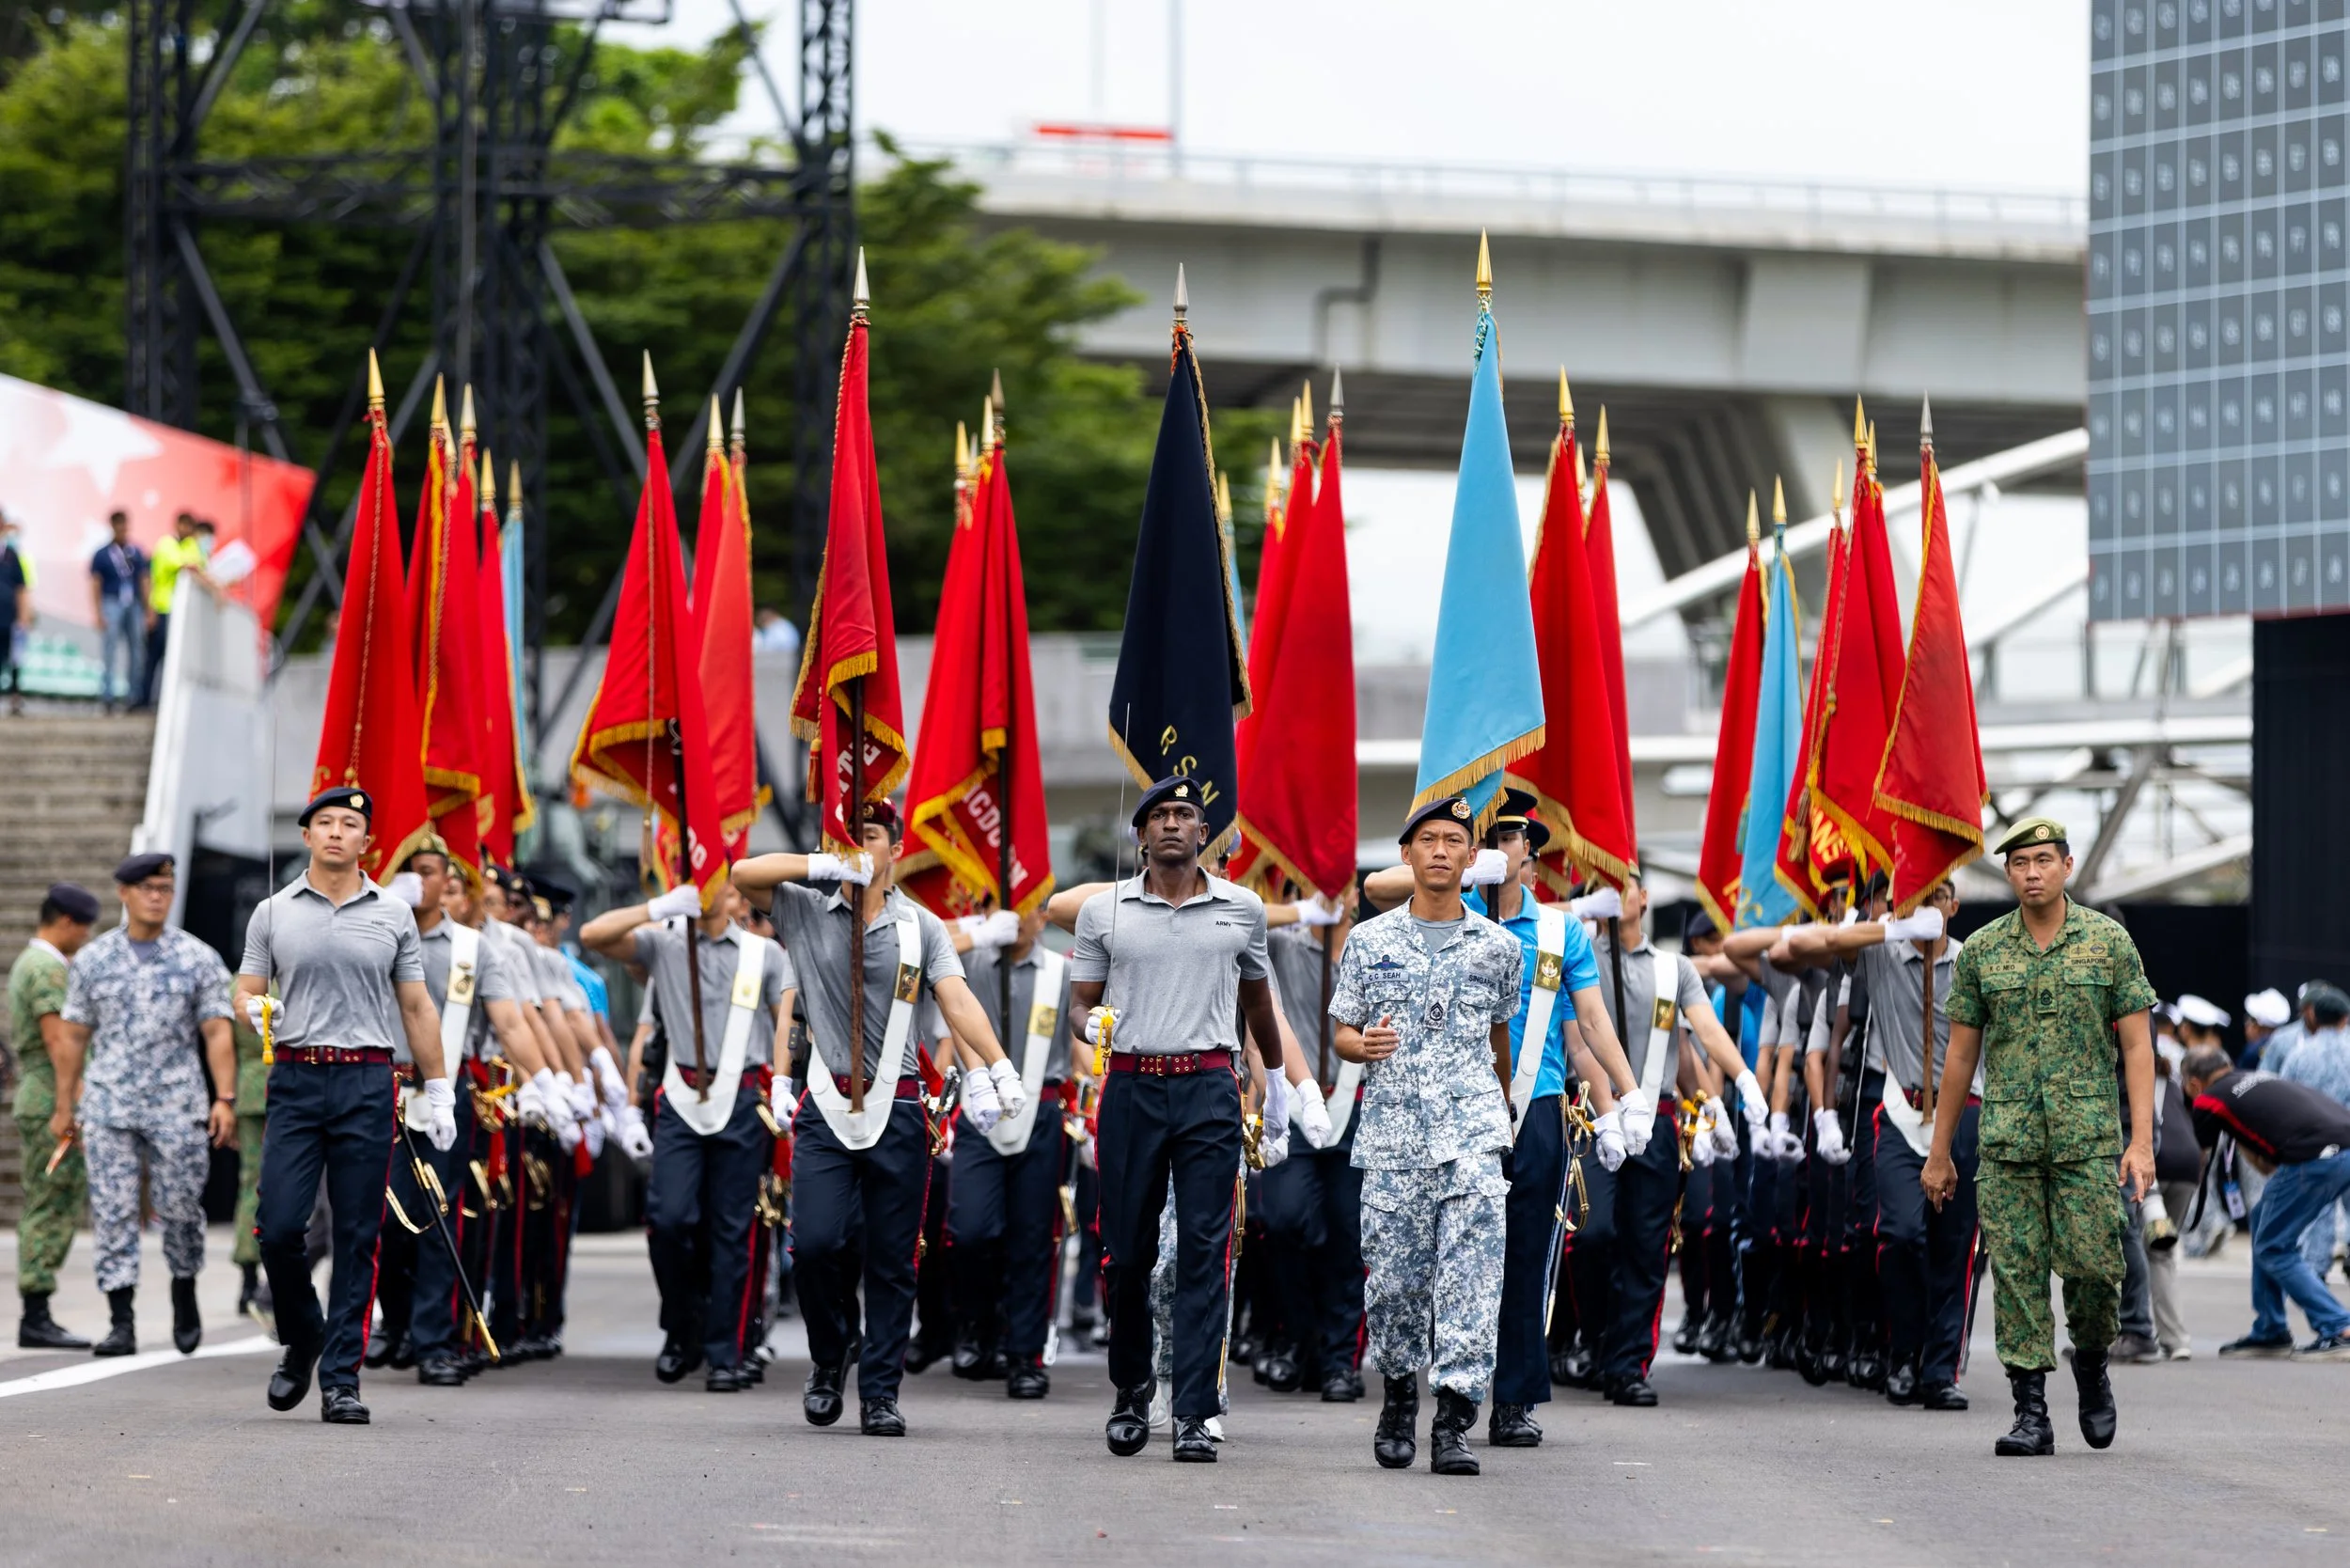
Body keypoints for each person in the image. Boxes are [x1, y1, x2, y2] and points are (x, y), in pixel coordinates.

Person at [1361, 790, 1647, 1443]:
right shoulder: (1440, 913)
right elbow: (1376, 887)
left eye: (1509, 838)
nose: (1498, 849)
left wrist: (1623, 1097)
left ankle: (1514, 1399)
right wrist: (1464, 875)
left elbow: (1588, 1024)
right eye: (1486, 839)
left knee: (1523, 1260)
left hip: (1532, 1107)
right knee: (1439, 1263)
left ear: (1531, 857)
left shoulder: (1559, 933)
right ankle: (1441, 1393)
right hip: (1446, 1113)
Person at [733, 798, 1023, 1437]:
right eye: (847, 837)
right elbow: (743, 875)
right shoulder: (805, 909)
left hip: (898, 1103)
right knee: (815, 1246)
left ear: (895, 848)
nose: (857, 847)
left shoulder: (923, 927)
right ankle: (831, 1352)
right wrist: (823, 864)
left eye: (868, 836)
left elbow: (957, 999)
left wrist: (997, 1065)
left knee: (893, 1260)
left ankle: (882, 1393)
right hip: (825, 1105)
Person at [1060, 776, 1286, 1464]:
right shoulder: (1104, 910)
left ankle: (1193, 1410)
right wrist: (1089, 1024)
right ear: (1141, 834)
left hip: (1209, 1089)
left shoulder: (1243, 909)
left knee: (1203, 1253)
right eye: (1158, 815)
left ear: (1203, 832)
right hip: (1131, 1086)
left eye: (1184, 814)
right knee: (1128, 1253)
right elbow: (1080, 1003)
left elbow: (1257, 1002)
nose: (1170, 824)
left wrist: (1277, 1084)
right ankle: (1132, 1389)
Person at [1924, 817, 2158, 1458]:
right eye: (2021, 863)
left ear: (2067, 866)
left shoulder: (2108, 942)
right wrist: (1940, 1152)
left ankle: (2092, 1361)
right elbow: (1960, 1058)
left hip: (2088, 1144)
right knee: (2018, 1275)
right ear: (2007, 873)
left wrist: (2140, 1142)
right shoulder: (1983, 952)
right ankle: (2031, 1412)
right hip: (2009, 1144)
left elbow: (2137, 1047)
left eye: (2044, 860)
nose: (2032, 873)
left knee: (2095, 1270)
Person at [236, 786, 457, 1425]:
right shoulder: (273, 911)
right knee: (279, 1227)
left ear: (368, 841)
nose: (336, 832)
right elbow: (245, 989)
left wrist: (439, 1088)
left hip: (366, 1079)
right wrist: (253, 1008)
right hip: (297, 1079)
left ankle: (341, 1380)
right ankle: (304, 1332)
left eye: (349, 824)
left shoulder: (393, 913)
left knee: (359, 1234)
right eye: (325, 822)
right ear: (306, 836)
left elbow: (416, 1005)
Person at [1328, 795, 1518, 1475]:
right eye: (1428, 840)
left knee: (1472, 1280)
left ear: (1472, 858)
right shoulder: (1369, 940)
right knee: (1395, 1283)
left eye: (1453, 841)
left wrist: (1502, 1113)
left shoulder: (1500, 947)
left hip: (1471, 1134)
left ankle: (1454, 1421)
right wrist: (1362, 1046)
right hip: (1394, 1138)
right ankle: (1399, 1397)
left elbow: (1499, 1036)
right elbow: (1343, 1030)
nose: (1440, 851)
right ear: (1406, 855)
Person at [580, 875, 790, 1391]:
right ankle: (683, 1325)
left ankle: (726, 1352)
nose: (708, 892)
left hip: (742, 1097)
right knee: (668, 1219)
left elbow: (784, 1025)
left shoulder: (764, 954)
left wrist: (786, 1085)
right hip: (680, 1097)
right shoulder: (665, 945)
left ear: (738, 897)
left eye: (719, 883)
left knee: (731, 1229)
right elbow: (593, 935)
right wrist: (656, 907)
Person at [1565, 870, 1762, 1406]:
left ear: (1645, 898)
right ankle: (1595, 1338)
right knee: (1592, 1236)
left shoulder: (1673, 968)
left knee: (1646, 1244)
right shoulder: (1579, 956)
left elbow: (1702, 1031)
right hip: (1595, 1118)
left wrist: (1738, 1081)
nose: (1614, 894)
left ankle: (1629, 1364)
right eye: (1600, 885)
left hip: (1656, 1119)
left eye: (1623, 884)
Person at [1790, 880, 1976, 1410]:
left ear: (1954, 905)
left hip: (1964, 1109)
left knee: (1952, 1247)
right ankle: (1902, 1352)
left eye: (1939, 895)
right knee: (1898, 1234)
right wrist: (1892, 928)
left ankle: (1939, 1372)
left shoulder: (1973, 960)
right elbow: (1806, 944)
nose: (1929, 905)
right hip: (1899, 1108)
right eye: (1917, 896)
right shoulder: (1882, 952)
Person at [54, 854, 237, 1356]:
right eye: (147, 888)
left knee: (180, 1207)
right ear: (124, 894)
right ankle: (121, 1320)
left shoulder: (197, 956)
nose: (157, 897)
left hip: (177, 1102)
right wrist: (65, 1104)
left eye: (164, 888)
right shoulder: (94, 959)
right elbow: (73, 1036)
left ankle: (184, 1286)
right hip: (109, 1102)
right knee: (112, 1210)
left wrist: (224, 1098)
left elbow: (217, 1031)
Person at [381, 844, 542, 1386]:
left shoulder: (474, 948)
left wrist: (542, 1080)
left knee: (438, 1219)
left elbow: (510, 1023)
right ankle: (396, 1322)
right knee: (384, 1221)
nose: (417, 881)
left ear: (450, 881)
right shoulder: (374, 933)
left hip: (445, 1099)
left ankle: (434, 1342)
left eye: (427, 872)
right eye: (406, 871)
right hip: (380, 1092)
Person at [939, 901, 1078, 1399]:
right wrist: (976, 934)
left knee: (1033, 1239)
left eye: (1027, 907)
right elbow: (919, 949)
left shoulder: (1060, 972)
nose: (1017, 918)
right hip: (978, 1108)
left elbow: (1079, 1043)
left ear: (1043, 915)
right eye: (1007, 907)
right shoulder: (968, 960)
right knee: (970, 1231)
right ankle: (979, 1323)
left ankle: (1024, 1355)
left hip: (1040, 1113)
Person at [2183, 1045, 2350, 1359]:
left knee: (2273, 1247)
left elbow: (2197, 1159)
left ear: (2193, 1084)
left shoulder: (2209, 1099)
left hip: (2314, 1157)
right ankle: (2270, 1330)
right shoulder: (2260, 1077)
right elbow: (2263, 1157)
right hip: (2342, 1146)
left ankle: (2339, 1327)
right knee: (2263, 1219)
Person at [11, 882, 100, 1349]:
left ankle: (38, 1310)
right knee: (51, 1202)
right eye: (83, 928)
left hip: (46, 1092)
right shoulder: (46, 968)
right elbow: (58, 1040)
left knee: (53, 1200)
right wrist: (69, 1103)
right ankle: (36, 1313)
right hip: (50, 1096)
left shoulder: (36, 962)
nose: (85, 938)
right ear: (66, 922)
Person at [142, 511, 208, 709]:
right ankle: (144, 698)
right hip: (162, 608)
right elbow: (186, 565)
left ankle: (164, 701)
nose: (186, 530)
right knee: (154, 656)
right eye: (184, 525)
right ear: (177, 525)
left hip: (181, 612)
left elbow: (201, 564)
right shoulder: (165, 544)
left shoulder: (190, 545)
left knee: (173, 658)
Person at [88, 511, 147, 713]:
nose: (122, 529)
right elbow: (95, 584)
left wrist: (148, 609)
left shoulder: (135, 552)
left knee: (137, 649)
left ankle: (134, 695)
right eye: (119, 525)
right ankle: (108, 695)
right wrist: (98, 612)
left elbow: (144, 579)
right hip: (111, 601)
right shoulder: (102, 554)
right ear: (112, 526)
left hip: (134, 603)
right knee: (109, 649)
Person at [1, 511, 30, 714]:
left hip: (8, 615)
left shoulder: (12, 555)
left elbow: (21, 587)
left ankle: (15, 698)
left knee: (14, 658)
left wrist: (23, 615)